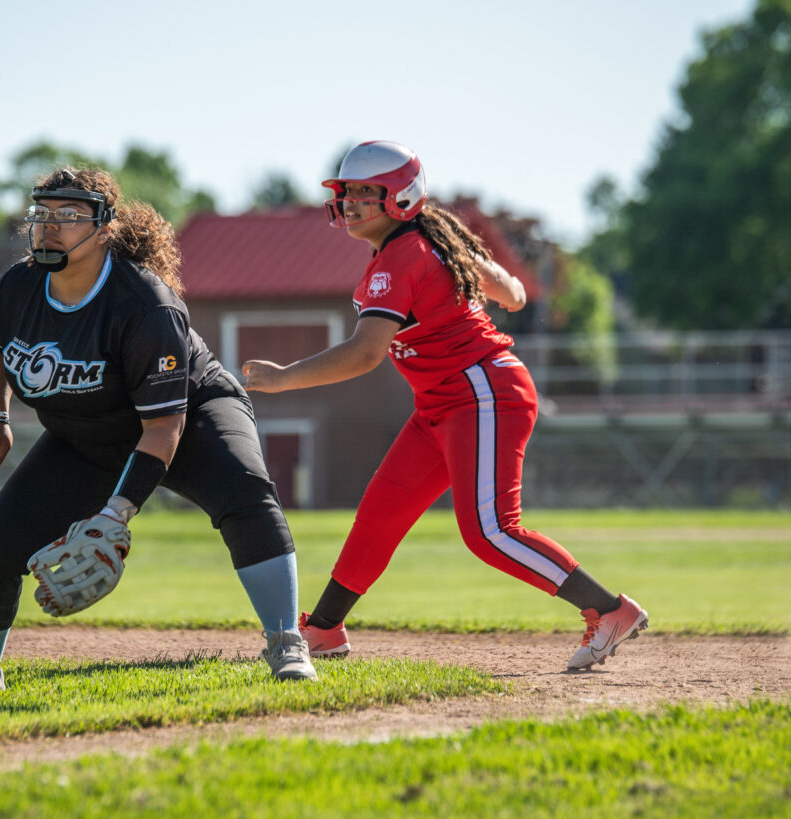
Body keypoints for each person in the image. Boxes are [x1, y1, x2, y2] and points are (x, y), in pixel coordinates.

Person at [242, 141, 648, 671]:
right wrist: (481, 278)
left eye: (368, 193)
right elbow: (515, 295)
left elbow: (366, 354)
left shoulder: (401, 257)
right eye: (347, 192)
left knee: (490, 531)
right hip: (447, 401)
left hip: (480, 394)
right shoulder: (427, 243)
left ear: (403, 199)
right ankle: (323, 630)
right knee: (380, 516)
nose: (352, 203)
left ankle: (610, 609)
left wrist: (282, 379)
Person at [0, 166, 316, 692]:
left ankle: (286, 643)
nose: (51, 227)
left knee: (245, 495)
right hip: (87, 434)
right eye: (43, 214)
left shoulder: (145, 304)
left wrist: (114, 517)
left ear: (103, 228)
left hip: (190, 414)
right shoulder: (19, 288)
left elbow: (165, 425)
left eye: (69, 216)